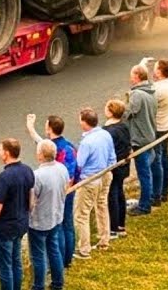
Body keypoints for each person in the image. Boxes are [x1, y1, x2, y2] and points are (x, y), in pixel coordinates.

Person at [24, 114, 77, 270]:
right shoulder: (68, 146)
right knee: (68, 225)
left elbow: (42, 146)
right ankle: (67, 258)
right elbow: (40, 143)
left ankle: (59, 263)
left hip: (60, 193)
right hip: (66, 190)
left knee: (59, 228)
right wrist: (30, 128)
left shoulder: (56, 150)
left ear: (50, 129)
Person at [0, 139, 34, 290]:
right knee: (16, 261)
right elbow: (31, 199)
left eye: (1, 150)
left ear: (7, 153)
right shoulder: (28, 170)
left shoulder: (4, 177)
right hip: (21, 223)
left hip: (5, 227)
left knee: (5, 266)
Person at [72, 107, 115, 258]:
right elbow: (112, 156)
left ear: (84, 123)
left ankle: (84, 249)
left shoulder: (86, 142)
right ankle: (104, 239)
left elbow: (79, 164)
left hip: (90, 179)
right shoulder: (105, 134)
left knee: (81, 215)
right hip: (105, 173)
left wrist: (74, 181)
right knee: (101, 206)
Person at [28, 140, 68, 290]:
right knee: (54, 249)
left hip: (40, 221)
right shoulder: (62, 168)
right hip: (56, 216)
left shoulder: (37, 175)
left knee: (38, 256)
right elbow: (66, 187)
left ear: (40, 155)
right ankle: (58, 282)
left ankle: (38, 286)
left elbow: (32, 201)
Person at [124, 64, 157, 215]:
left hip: (140, 139)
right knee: (147, 171)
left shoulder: (137, 94)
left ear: (137, 76)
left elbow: (128, 113)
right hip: (149, 134)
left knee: (144, 174)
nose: (130, 78)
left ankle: (144, 205)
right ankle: (148, 199)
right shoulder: (150, 92)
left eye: (131, 74)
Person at [148, 59, 168, 207]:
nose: (153, 71)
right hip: (167, 126)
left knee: (156, 160)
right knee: (165, 157)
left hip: (157, 129)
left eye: (155, 68)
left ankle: (156, 195)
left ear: (160, 71)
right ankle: (164, 191)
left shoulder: (157, 88)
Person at [102, 99, 131, 241]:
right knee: (120, 192)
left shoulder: (108, 131)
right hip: (123, 165)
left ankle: (113, 227)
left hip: (113, 166)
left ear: (110, 111)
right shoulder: (123, 126)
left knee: (112, 195)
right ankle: (120, 224)